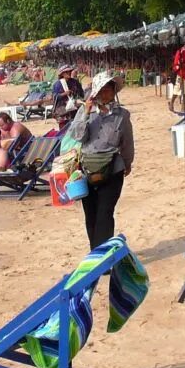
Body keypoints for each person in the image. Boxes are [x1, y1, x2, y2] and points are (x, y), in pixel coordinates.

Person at [65, 70, 135, 249]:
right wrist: (85, 113)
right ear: (95, 91)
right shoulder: (85, 111)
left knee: (105, 213)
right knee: (91, 214)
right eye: (102, 89)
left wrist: (127, 163)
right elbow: (78, 136)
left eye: (109, 89)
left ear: (114, 91)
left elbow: (127, 142)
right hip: (87, 169)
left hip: (113, 170)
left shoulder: (122, 115)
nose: (106, 93)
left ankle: (102, 257)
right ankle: (95, 252)